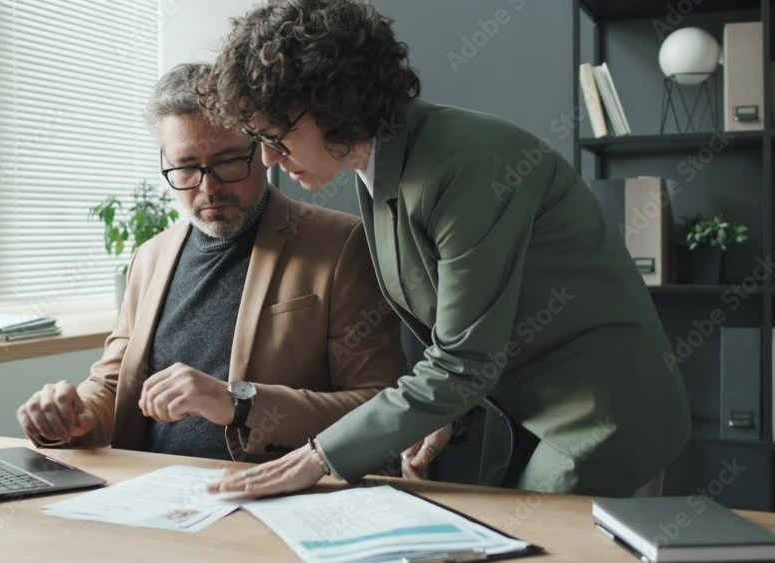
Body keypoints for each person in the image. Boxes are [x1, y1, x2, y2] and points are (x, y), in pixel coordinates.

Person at [201, 0, 690, 497]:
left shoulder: (466, 164)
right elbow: (465, 332)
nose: (269, 158)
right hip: (538, 411)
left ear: (334, 103)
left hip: (605, 414)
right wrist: (439, 411)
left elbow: (464, 359)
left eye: (275, 136)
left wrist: (319, 455)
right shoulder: (377, 164)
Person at [16, 63, 407, 463]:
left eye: (226, 163)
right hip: (148, 492)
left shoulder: (341, 245)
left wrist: (240, 403)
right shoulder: (148, 259)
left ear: (262, 149)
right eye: (186, 167)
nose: (208, 187)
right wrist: (73, 415)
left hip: (272, 495)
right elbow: (114, 385)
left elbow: (379, 408)